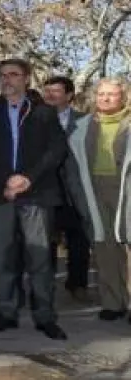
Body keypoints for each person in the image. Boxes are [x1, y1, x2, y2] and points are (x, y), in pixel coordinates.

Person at [0, 59, 68, 340]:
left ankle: (45, 316)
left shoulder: (44, 113)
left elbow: (56, 150)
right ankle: (6, 313)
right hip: (0, 195)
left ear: (26, 79)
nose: (7, 80)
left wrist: (27, 178)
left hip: (37, 194)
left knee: (40, 258)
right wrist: (8, 179)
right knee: (3, 257)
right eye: (2, 75)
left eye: (13, 74)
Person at [63, 77, 131, 322]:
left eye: (112, 94)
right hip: (94, 191)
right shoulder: (81, 127)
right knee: (103, 246)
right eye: (101, 94)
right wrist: (78, 197)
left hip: (126, 191)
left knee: (128, 246)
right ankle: (112, 303)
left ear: (124, 97)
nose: (105, 98)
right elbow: (71, 168)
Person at [41, 76, 91, 302]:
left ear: (69, 95)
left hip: (75, 191)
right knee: (45, 241)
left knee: (79, 239)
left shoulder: (85, 121)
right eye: (47, 91)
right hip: (46, 188)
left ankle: (78, 284)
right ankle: (45, 285)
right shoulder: (34, 120)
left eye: (56, 91)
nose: (50, 95)